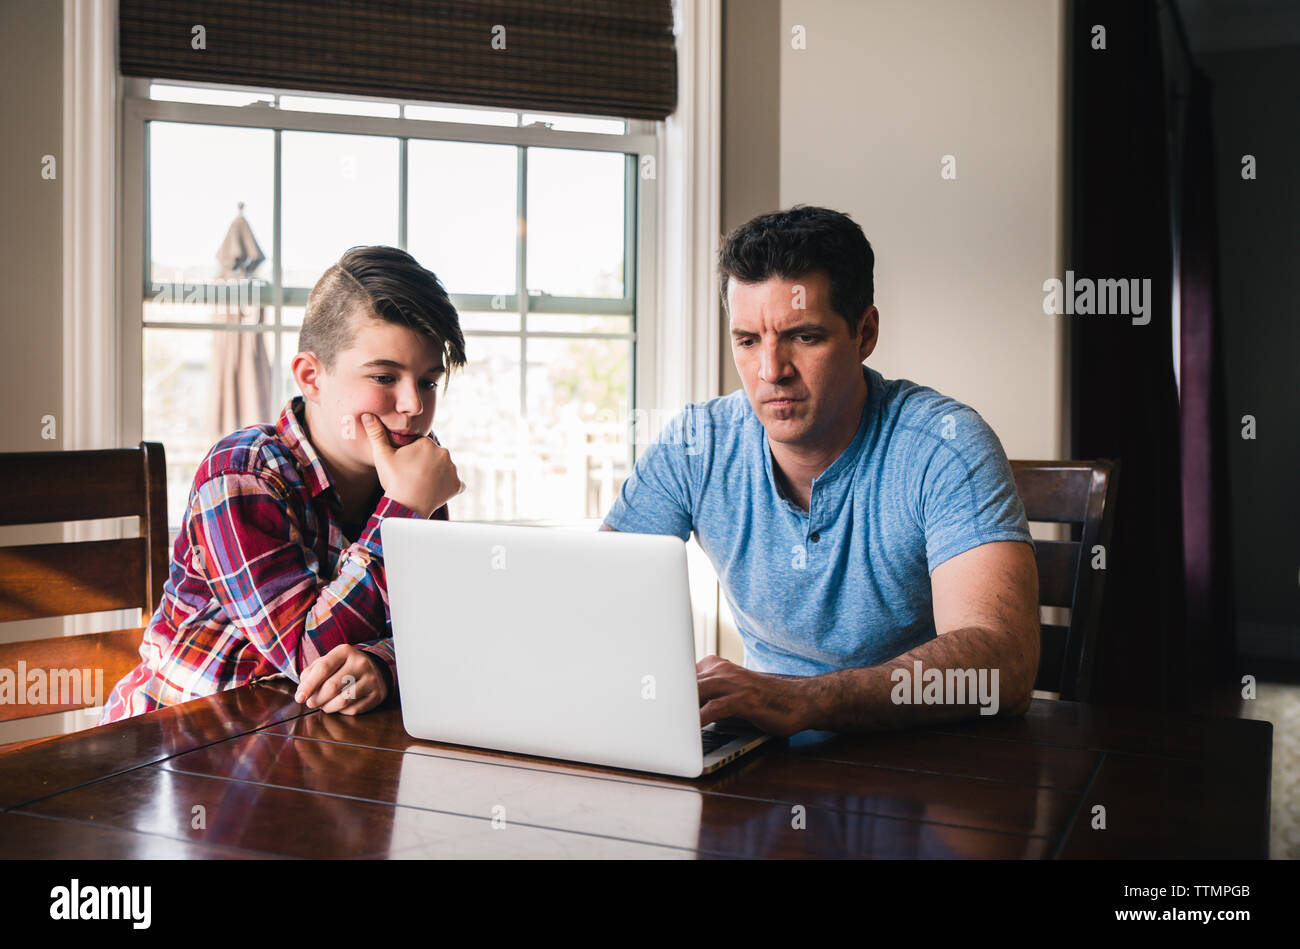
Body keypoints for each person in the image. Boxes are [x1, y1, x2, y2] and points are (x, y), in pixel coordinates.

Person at [602, 206, 1040, 736]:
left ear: (865, 332)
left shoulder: (943, 445)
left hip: (925, 759)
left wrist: (806, 700)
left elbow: (1004, 669)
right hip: (761, 753)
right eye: (747, 340)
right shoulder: (697, 444)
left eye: (804, 337)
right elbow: (596, 600)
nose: (771, 372)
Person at [101, 246, 466, 723]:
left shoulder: (416, 471)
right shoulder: (243, 471)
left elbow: (431, 630)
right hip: (176, 744)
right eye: (384, 376)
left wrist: (382, 663)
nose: (413, 405)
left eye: (429, 383)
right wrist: (404, 508)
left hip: (303, 743)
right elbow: (309, 655)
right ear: (311, 377)